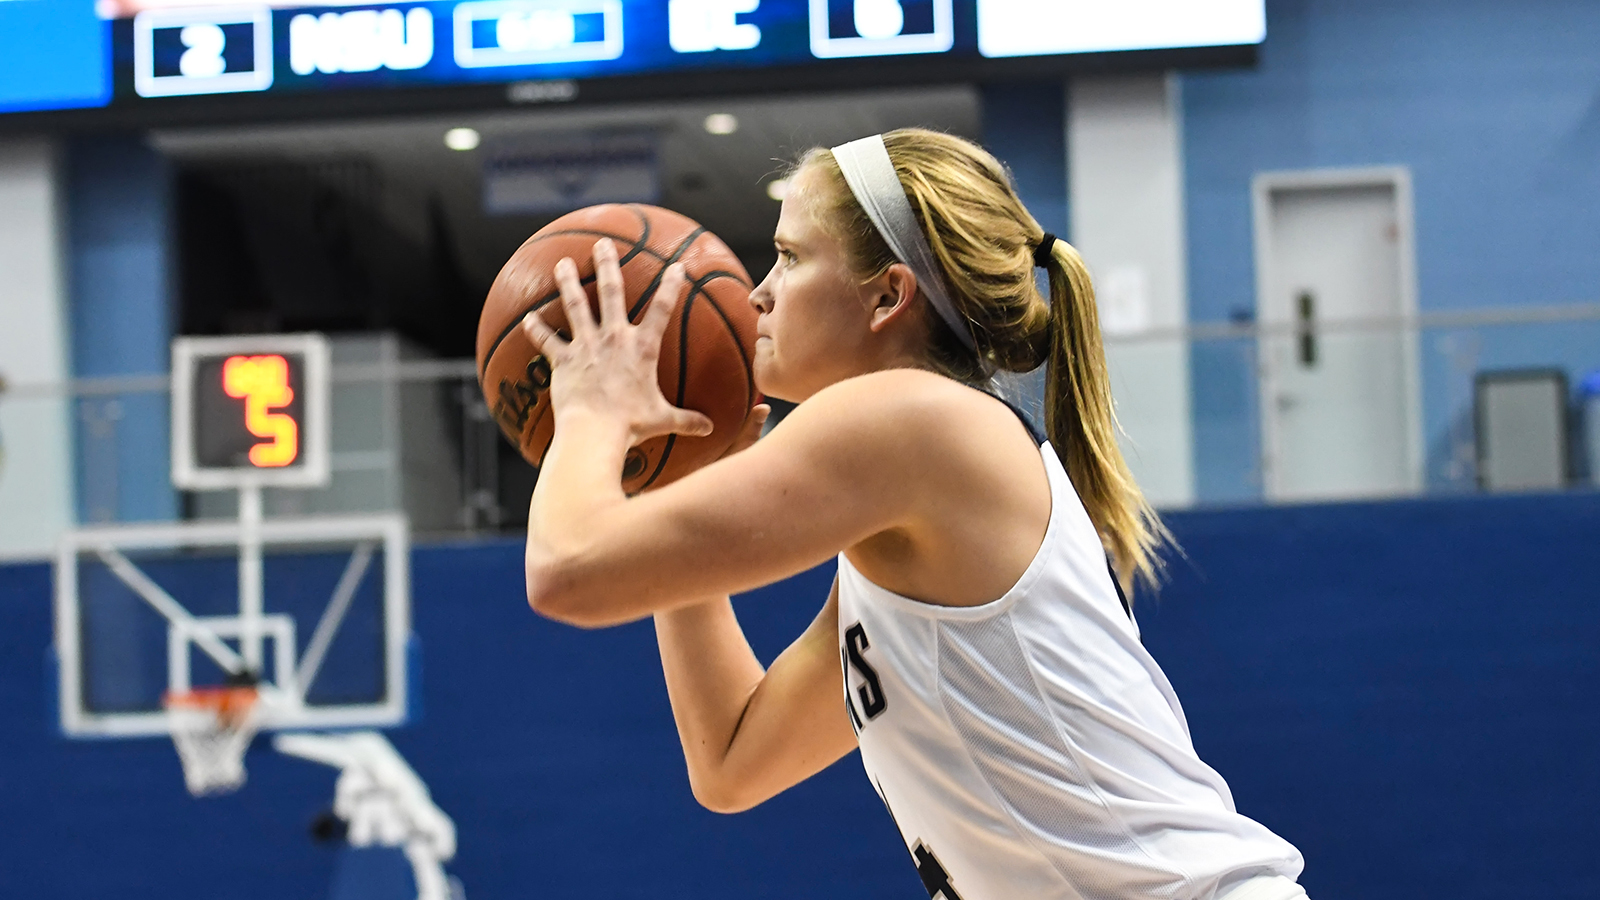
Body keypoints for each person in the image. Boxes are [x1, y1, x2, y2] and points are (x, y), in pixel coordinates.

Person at [518, 128, 1307, 900]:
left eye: (790, 257)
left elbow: (568, 573)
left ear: (889, 295)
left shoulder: (907, 421)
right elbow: (732, 760)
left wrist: (589, 414)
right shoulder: (918, 479)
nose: (757, 291)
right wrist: (667, 482)